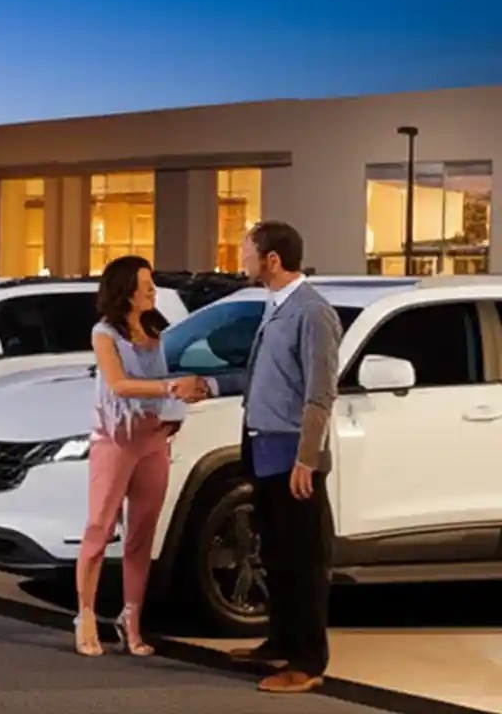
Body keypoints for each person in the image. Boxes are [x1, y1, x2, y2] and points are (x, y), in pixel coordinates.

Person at [203, 221, 342, 694]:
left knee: (303, 559)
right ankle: (281, 641)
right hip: (263, 449)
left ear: (273, 260)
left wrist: (307, 458)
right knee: (277, 554)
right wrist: (211, 386)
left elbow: (319, 392)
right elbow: (262, 375)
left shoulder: (312, 313)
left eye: (246, 252)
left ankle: (307, 661)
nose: (240, 260)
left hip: (290, 455)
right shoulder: (276, 306)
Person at [73, 255, 206, 658]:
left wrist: (176, 408)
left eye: (152, 283)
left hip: (152, 438)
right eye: (145, 284)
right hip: (115, 439)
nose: (152, 290)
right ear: (125, 290)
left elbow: (158, 382)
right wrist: (169, 388)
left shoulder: (155, 328)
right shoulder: (104, 334)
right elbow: (119, 384)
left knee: (142, 532)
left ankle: (132, 617)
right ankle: (86, 615)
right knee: (99, 527)